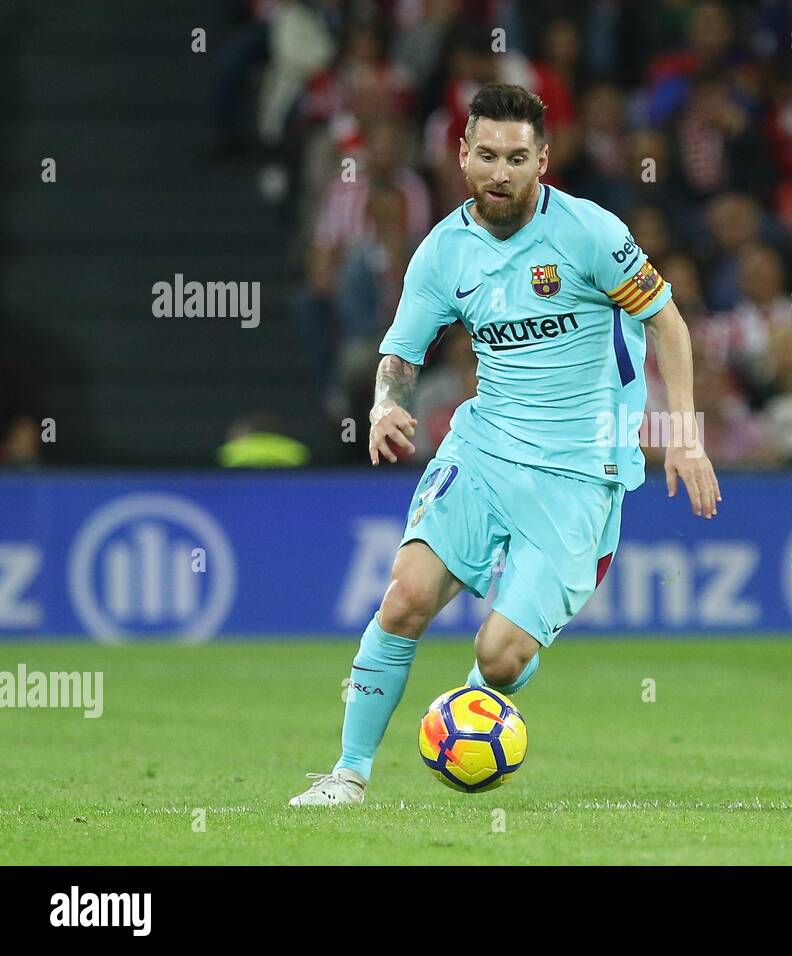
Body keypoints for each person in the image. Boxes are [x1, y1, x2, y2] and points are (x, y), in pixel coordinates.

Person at [290, 84, 721, 806]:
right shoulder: (443, 253)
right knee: (405, 598)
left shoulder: (589, 233)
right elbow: (401, 352)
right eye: (486, 154)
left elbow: (669, 323)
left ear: (542, 161)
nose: (500, 171)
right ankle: (348, 775)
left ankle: (470, 704)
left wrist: (683, 437)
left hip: (582, 471)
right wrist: (383, 407)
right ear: (462, 157)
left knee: (501, 654)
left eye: (516, 158)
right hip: (484, 450)